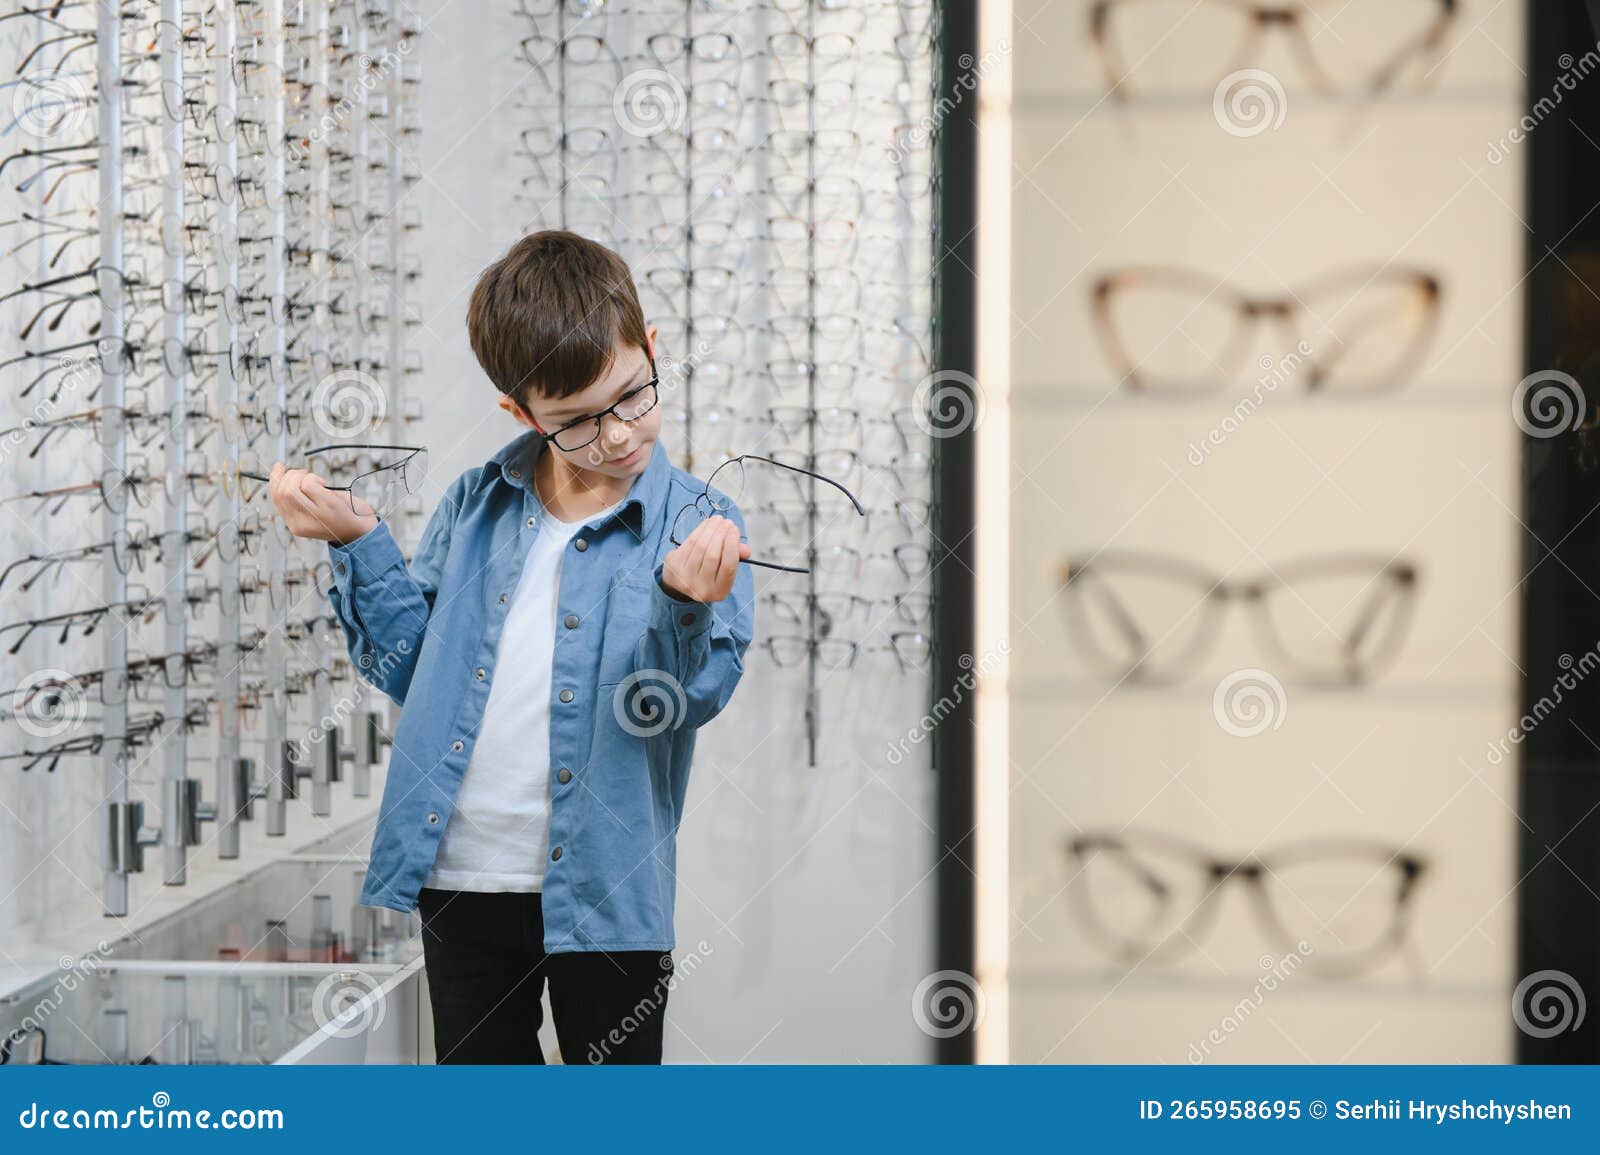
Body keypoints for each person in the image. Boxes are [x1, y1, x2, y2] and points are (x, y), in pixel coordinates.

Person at [262, 229, 757, 1064]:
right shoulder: (475, 504)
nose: (615, 437)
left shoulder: (700, 521)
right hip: (461, 875)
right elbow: (415, 671)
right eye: (574, 422)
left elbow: (682, 702)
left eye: (634, 396)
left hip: (606, 886)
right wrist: (358, 542)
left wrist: (681, 602)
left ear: (652, 349)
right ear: (520, 413)